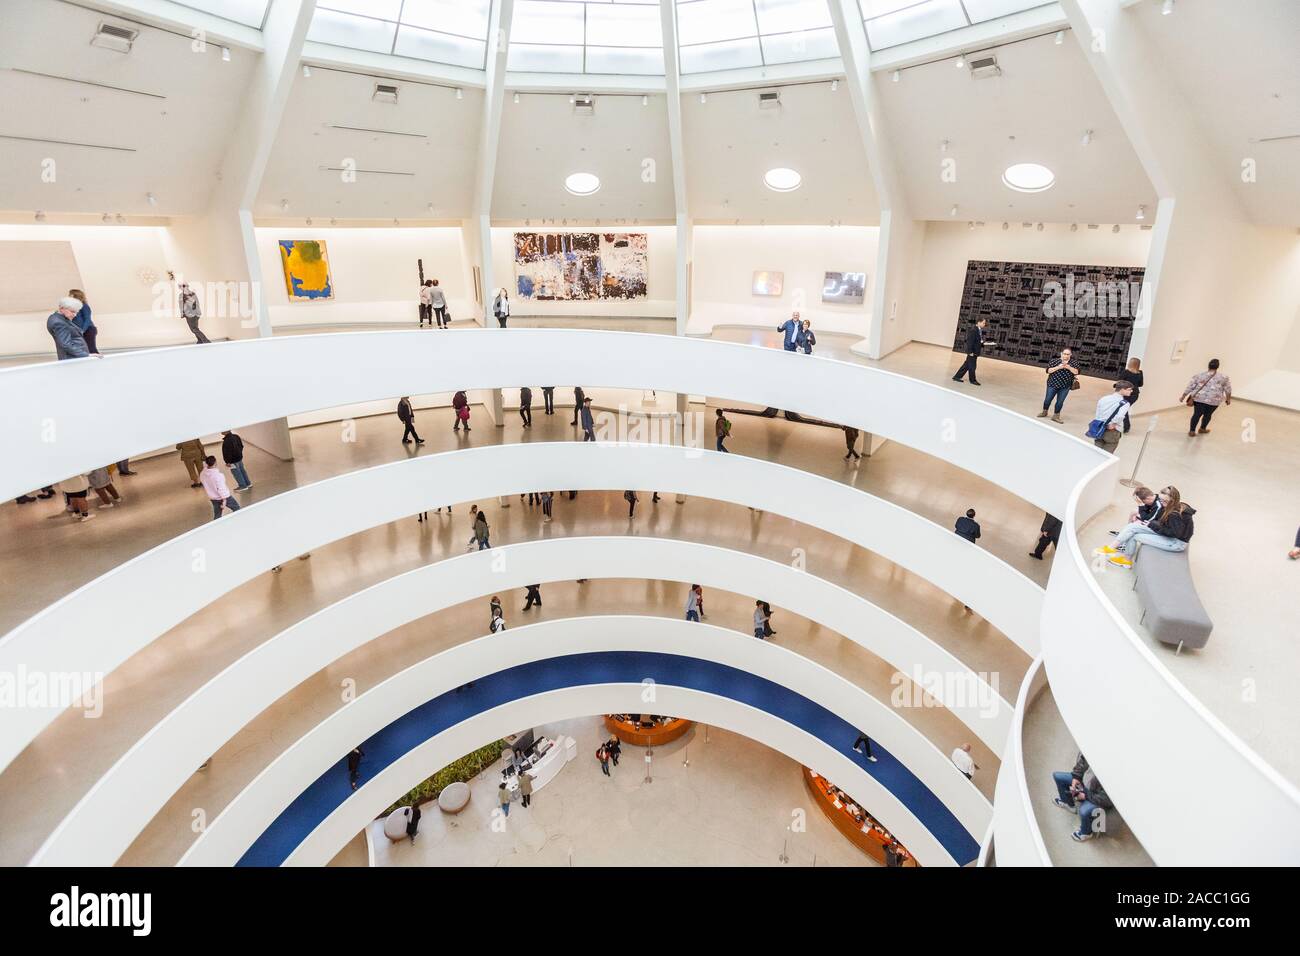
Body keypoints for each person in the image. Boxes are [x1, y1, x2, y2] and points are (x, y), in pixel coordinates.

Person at [1100, 486, 1195, 568]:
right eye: (1160, 499)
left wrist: (1151, 525)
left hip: (1176, 543)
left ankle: (1126, 561)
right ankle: (1111, 548)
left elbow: (1174, 533)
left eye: (1164, 501)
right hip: (1165, 531)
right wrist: (1151, 524)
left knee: (1134, 535)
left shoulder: (1175, 514)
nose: (1161, 502)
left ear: (1172, 500)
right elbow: (1159, 520)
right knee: (1133, 527)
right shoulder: (1169, 506)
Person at [1052, 753, 1112, 842]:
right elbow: (1083, 760)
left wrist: (1085, 795)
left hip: (1096, 795)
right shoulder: (1098, 751)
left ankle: (1086, 833)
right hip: (1085, 784)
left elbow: (1106, 799)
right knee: (1058, 776)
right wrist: (1076, 777)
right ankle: (1067, 803)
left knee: (1084, 811)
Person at [1180, 358, 1231, 437]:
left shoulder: (1199, 375)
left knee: (1197, 414)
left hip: (1199, 398)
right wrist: (1228, 399)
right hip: (1214, 400)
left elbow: (1190, 386)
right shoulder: (1224, 377)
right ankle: (1202, 429)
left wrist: (1183, 396)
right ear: (1218, 367)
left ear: (1208, 366)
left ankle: (1192, 431)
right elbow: (1228, 390)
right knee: (1208, 415)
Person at [1037, 347, 1079, 422]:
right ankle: (1044, 412)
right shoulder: (1054, 361)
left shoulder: (1074, 363)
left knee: (1060, 401)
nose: (1066, 356)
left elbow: (1076, 372)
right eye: (1064, 354)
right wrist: (1058, 367)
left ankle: (1056, 416)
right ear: (1061, 354)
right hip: (1052, 384)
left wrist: (1069, 367)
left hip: (1065, 386)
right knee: (1048, 399)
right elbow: (1048, 371)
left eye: (1068, 354)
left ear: (1071, 355)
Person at [1090, 381, 1133, 451]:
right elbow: (1120, 416)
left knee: (1096, 450)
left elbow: (1098, 412)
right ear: (1122, 389)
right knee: (1108, 453)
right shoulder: (1125, 403)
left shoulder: (1104, 398)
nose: (1131, 391)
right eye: (1129, 389)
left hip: (1099, 427)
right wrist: (1113, 423)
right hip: (1112, 431)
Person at [200, 455, 241, 520]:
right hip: (225, 497)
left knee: (217, 515)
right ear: (215, 463)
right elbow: (221, 488)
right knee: (237, 508)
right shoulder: (218, 475)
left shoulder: (202, 474)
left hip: (213, 498)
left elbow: (204, 483)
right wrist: (224, 500)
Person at [951, 317, 988, 385]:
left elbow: (977, 341)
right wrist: (970, 352)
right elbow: (970, 342)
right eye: (983, 323)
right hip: (972, 352)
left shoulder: (978, 330)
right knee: (972, 366)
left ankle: (957, 376)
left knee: (967, 365)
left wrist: (982, 344)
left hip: (975, 351)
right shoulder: (973, 330)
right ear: (979, 322)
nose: (984, 324)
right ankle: (972, 380)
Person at [68, 289, 98, 354]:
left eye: (70, 295)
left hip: (88, 330)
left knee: (91, 349)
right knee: (84, 351)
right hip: (80, 331)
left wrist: (82, 330)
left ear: (76, 296)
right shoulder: (73, 308)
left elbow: (87, 320)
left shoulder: (84, 306)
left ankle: (100, 362)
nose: (69, 297)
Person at [1118, 357, 1143, 432]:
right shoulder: (1140, 373)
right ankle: (1125, 426)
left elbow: (1119, 381)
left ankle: (1127, 427)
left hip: (1126, 394)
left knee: (1123, 409)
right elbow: (1141, 384)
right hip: (1135, 395)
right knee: (1124, 409)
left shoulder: (1126, 372)